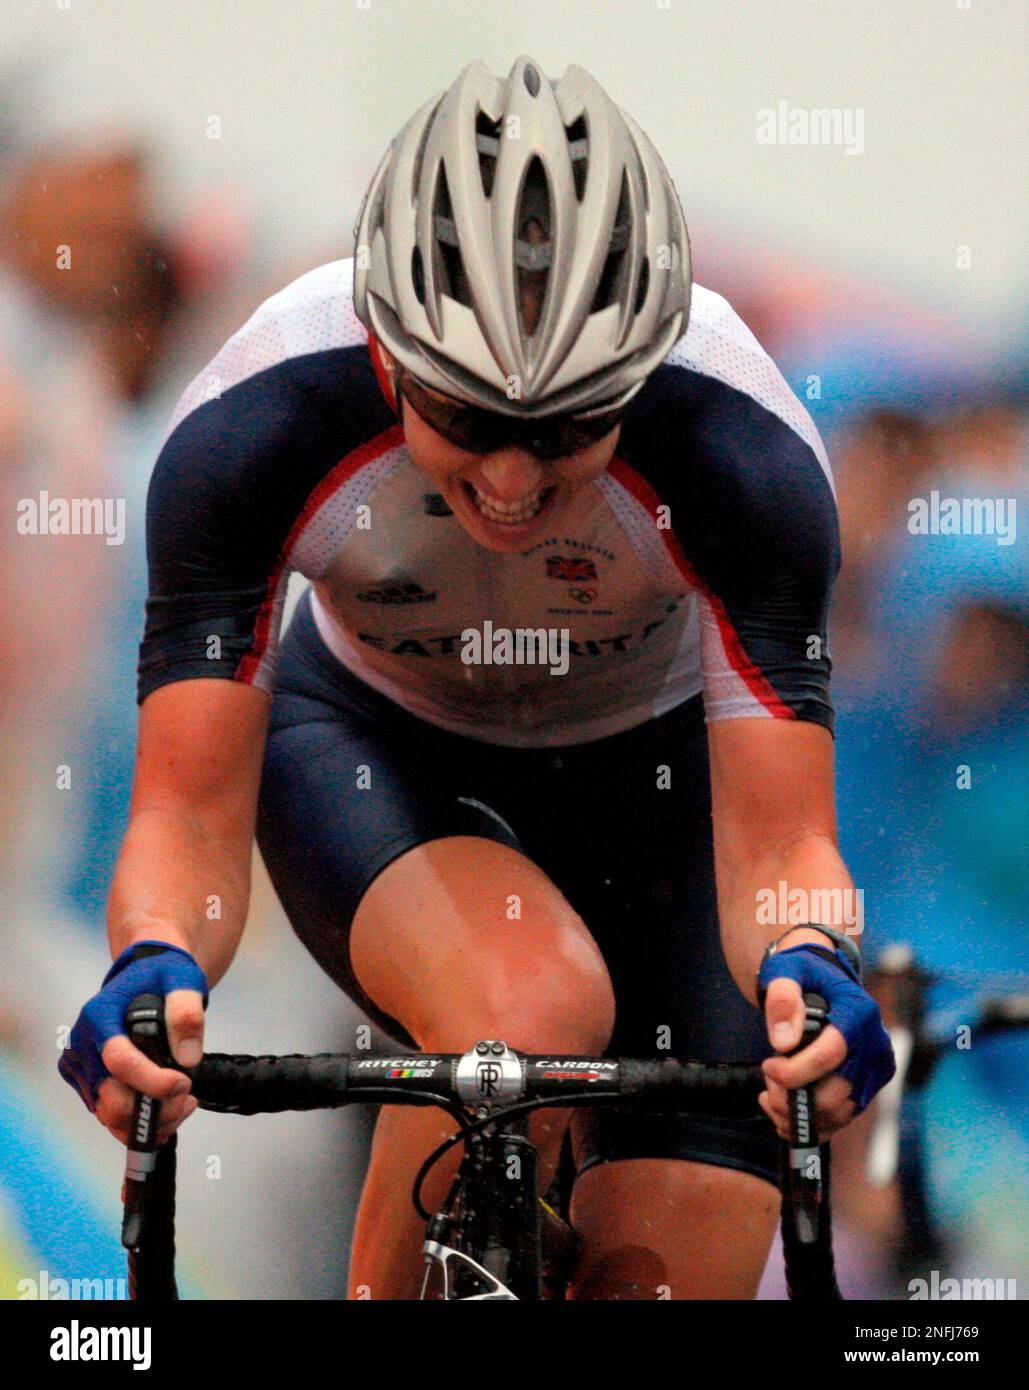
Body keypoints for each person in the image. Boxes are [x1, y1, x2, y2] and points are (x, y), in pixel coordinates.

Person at [59, 56, 894, 1300]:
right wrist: (155, 961)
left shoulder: (743, 448)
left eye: (565, 429)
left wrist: (812, 961)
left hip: (662, 793)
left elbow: (780, 859)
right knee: (530, 1005)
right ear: (387, 357)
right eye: (466, 417)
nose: (511, 480)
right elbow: (184, 817)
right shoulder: (258, 416)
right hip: (375, 753)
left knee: (669, 1271)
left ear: (642, 378)